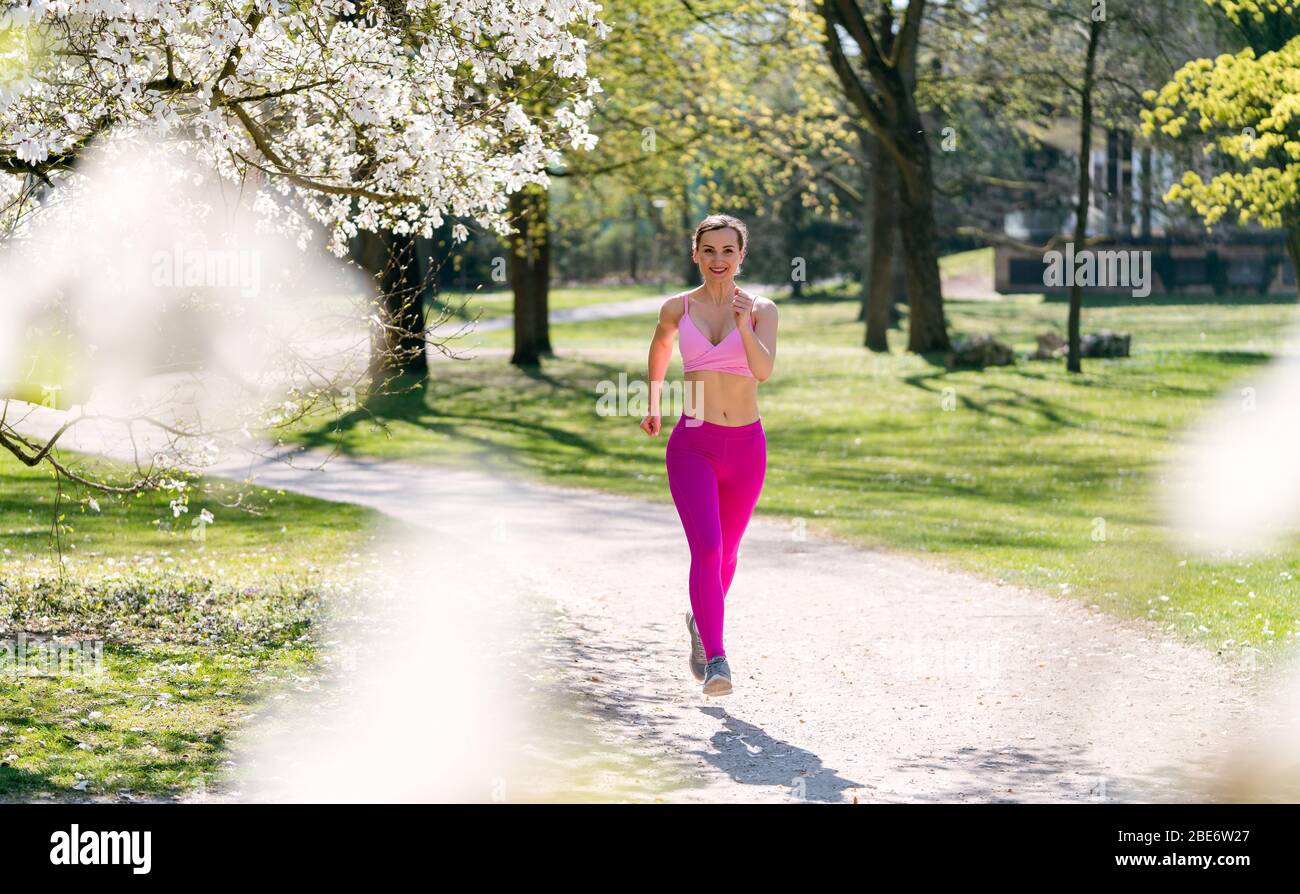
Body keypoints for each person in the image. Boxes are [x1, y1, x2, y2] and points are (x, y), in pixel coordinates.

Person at [640, 213, 779, 696]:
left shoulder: (762, 309)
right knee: (708, 548)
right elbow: (660, 349)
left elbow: (762, 371)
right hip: (693, 442)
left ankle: (701, 621)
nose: (718, 260)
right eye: (709, 251)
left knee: (730, 552)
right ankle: (718, 660)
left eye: (728, 251)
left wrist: (744, 325)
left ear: (741, 256)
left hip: (746, 447)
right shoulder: (678, 308)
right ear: (695, 254)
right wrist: (654, 402)